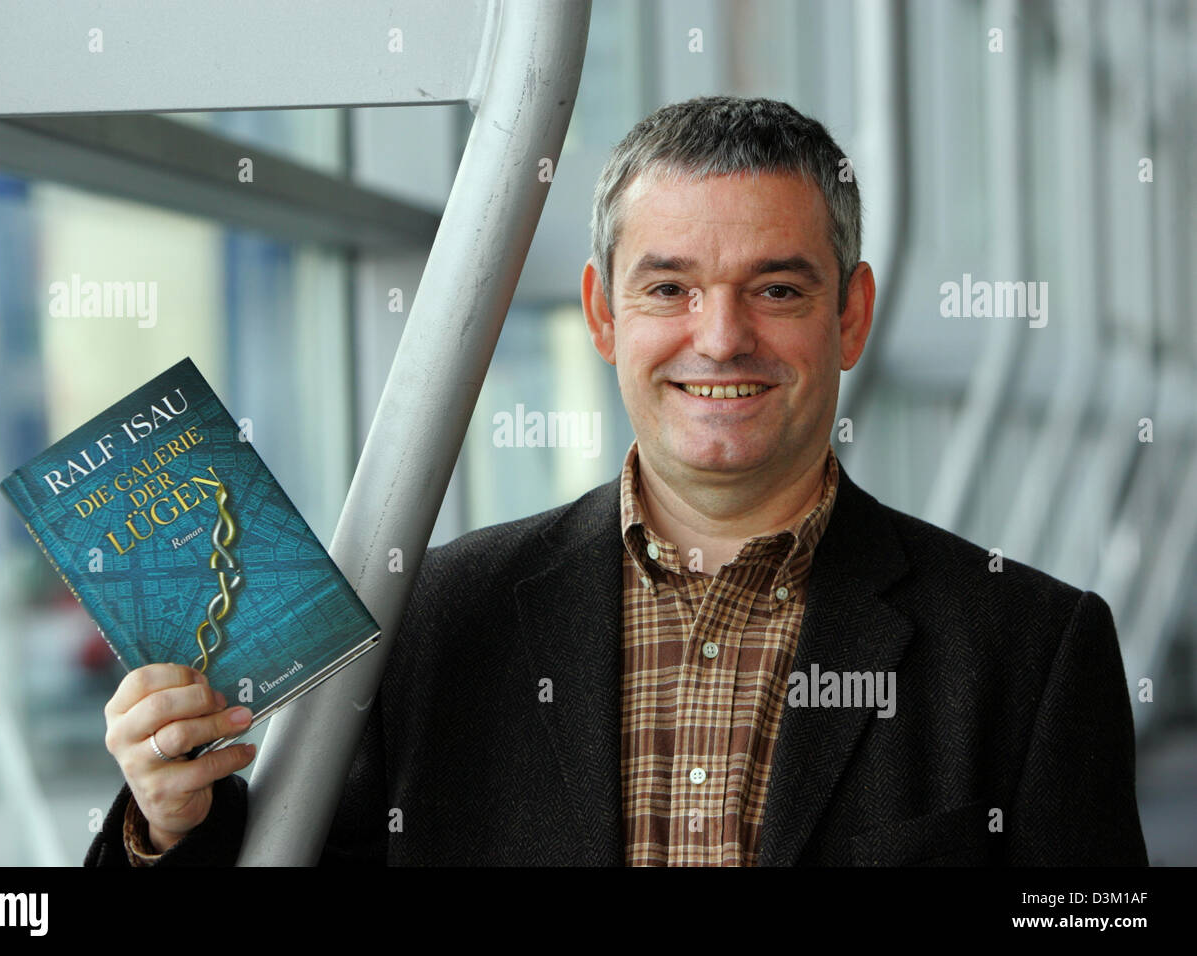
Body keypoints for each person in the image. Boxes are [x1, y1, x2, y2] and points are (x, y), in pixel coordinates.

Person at [87, 96, 1148, 866]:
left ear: (852, 315)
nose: (721, 337)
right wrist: (166, 826)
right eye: (670, 287)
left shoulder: (1028, 651)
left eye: (776, 287)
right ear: (602, 314)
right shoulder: (430, 620)